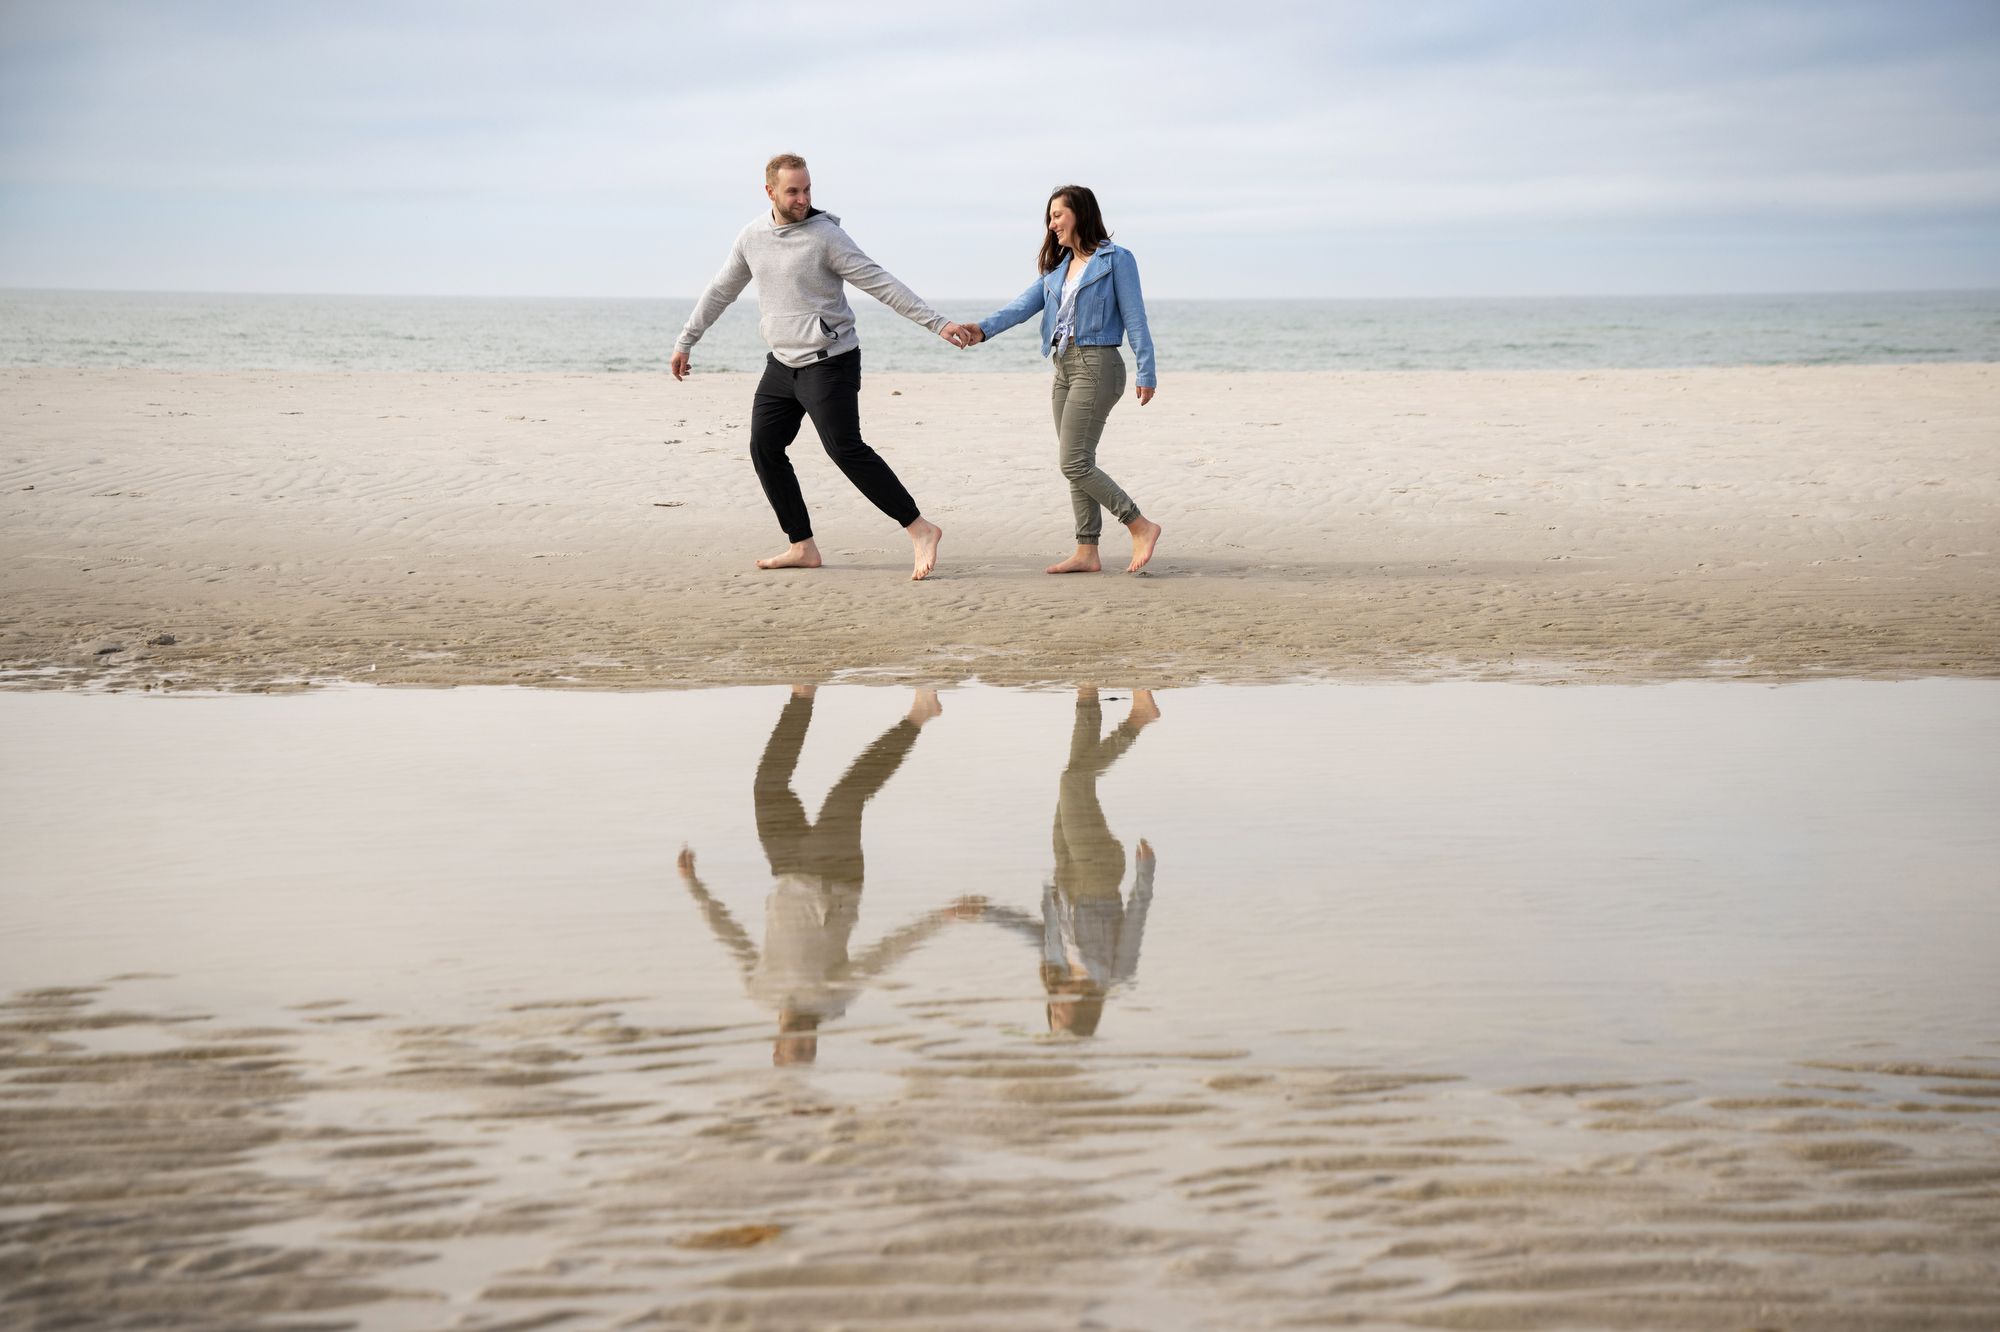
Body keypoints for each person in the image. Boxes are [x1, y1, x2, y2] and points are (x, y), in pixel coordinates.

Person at [670, 154, 977, 580]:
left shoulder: (826, 236)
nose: (802, 198)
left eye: (807, 189)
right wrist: (687, 340)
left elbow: (879, 281)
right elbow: (721, 289)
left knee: (845, 449)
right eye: (793, 191)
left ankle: (921, 529)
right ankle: (802, 545)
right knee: (765, 448)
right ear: (770, 192)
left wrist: (937, 323)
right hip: (781, 365)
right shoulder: (752, 237)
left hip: (829, 362)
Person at [676, 685, 980, 1065]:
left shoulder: (761, 993)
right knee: (848, 794)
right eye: (810, 1050)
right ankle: (919, 714)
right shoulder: (834, 999)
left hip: (786, 868)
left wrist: (695, 887)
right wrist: (941, 918)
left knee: (768, 785)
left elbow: (732, 938)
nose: (806, 1042)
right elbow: (883, 955)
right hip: (834, 878)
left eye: (798, 1049)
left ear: (776, 1047)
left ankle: (802, 695)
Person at [960, 186, 1163, 574]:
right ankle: (1087, 550)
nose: (1051, 224)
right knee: (1077, 461)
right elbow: (1020, 307)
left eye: (1057, 215)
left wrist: (1147, 369)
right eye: (1049, 217)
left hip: (1098, 364)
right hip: (1063, 366)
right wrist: (980, 330)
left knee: (1073, 461)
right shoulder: (1057, 272)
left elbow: (1136, 317)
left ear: (1080, 214)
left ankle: (1139, 524)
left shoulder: (1116, 260)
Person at [979, 687, 1160, 1036]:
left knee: (1077, 776)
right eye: (1065, 1017)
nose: (1058, 1008)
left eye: (1054, 1015)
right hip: (1098, 877)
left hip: (1064, 874)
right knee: (1074, 781)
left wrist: (986, 912)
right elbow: (1136, 920)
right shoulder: (1115, 974)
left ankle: (1087, 697)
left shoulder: (1055, 969)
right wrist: (1145, 874)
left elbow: (1033, 931)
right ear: (1085, 1014)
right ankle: (1138, 720)